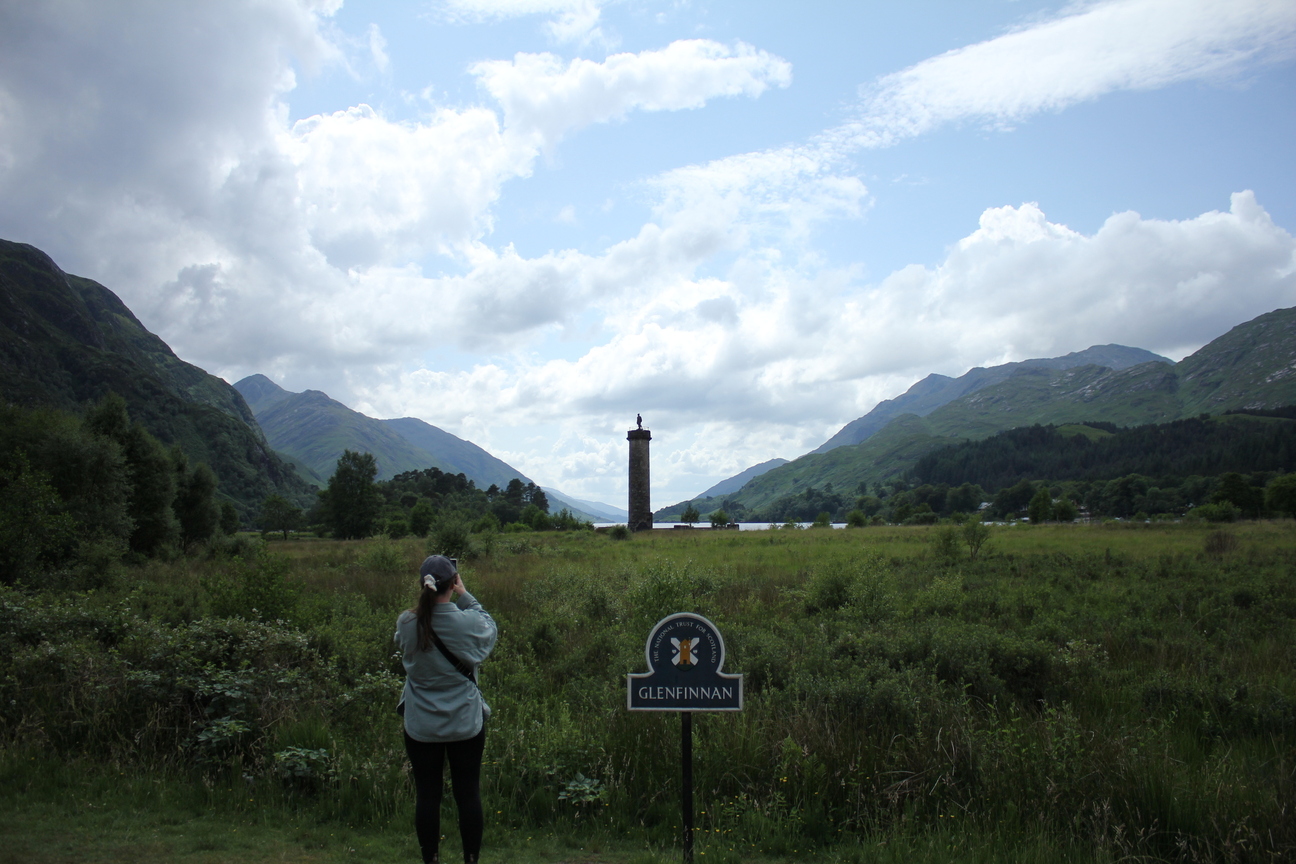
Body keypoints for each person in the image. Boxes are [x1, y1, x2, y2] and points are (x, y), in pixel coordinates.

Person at [395, 555, 498, 864]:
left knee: (427, 795)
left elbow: (402, 642)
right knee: (468, 793)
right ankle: (470, 859)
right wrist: (465, 594)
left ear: (422, 585)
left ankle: (432, 859)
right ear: (453, 583)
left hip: (421, 723)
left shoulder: (407, 621)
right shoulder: (467, 622)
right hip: (465, 721)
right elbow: (488, 627)